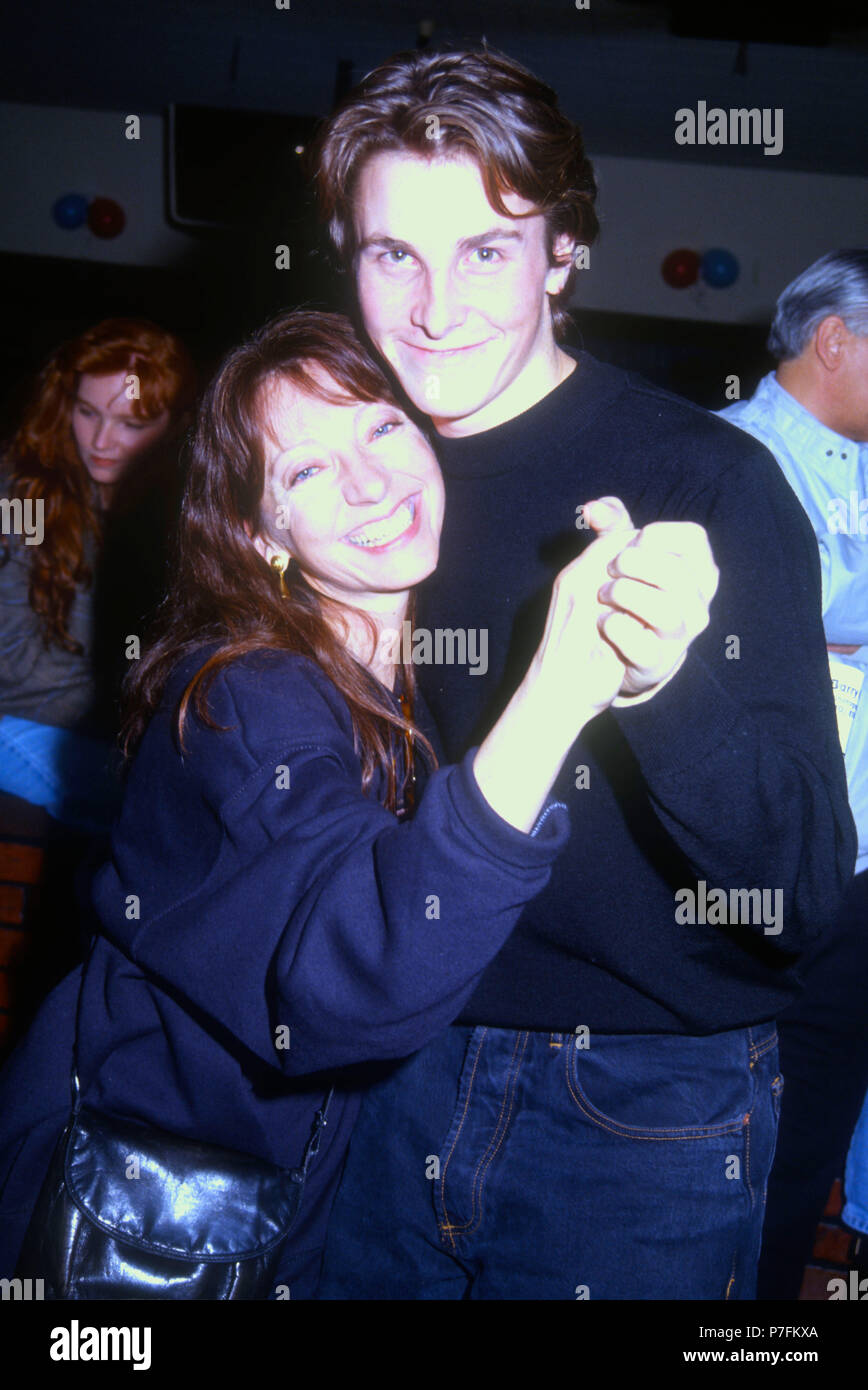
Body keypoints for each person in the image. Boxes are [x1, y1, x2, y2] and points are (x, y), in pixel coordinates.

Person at [0, 310, 714, 1298]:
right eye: (305, 470)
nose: (370, 482)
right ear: (260, 534)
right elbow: (365, 971)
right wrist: (558, 688)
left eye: (380, 428)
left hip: (310, 1206)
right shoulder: (245, 693)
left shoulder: (434, 670)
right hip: (145, 1220)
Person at [311, 45, 857, 1300]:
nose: (434, 306)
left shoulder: (702, 479)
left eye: (488, 251)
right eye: (394, 253)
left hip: (642, 1103)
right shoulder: (343, 473)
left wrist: (662, 688)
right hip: (386, 1067)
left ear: (564, 256)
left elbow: (800, 894)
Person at [719, 250, 868, 1298]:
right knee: (731, 1125)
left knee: (812, 1124)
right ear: (835, 339)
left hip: (854, 860)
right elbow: (781, 623)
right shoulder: (725, 451)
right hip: (760, 851)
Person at [0, 318, 196, 835]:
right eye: (87, 413)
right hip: (14, 723)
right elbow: (13, 668)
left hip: (110, 736)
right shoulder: (22, 498)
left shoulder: (183, 516)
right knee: (159, 817)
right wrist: (137, 728)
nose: (102, 441)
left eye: (131, 424)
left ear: (176, 425)